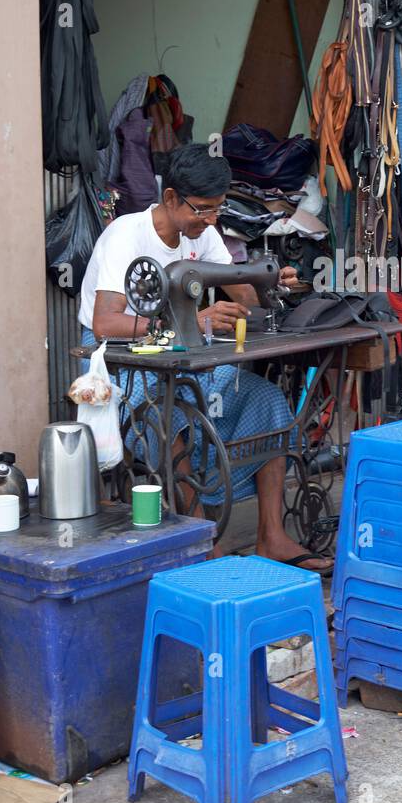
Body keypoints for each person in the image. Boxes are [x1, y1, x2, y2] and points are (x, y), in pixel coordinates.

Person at [78, 142, 332, 573]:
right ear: (172, 198)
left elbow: (247, 297)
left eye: (218, 209)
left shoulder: (204, 232)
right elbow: (105, 324)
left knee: (267, 399)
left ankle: (271, 535)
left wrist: (275, 286)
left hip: (189, 355)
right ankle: (202, 540)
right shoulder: (128, 235)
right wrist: (190, 322)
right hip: (123, 363)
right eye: (203, 209)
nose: (212, 219)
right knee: (167, 414)